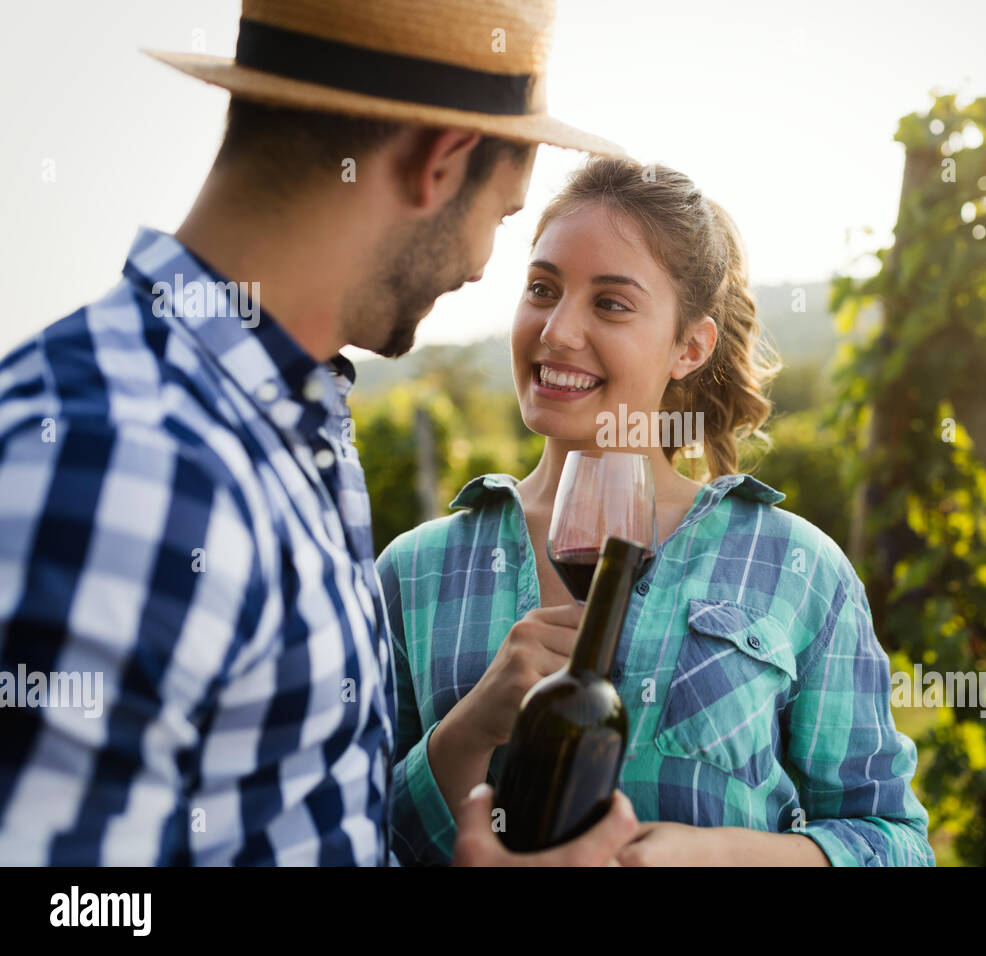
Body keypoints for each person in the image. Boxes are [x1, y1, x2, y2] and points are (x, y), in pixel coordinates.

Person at [0, 0, 639, 865]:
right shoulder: (124, 457)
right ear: (439, 162)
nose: (481, 264)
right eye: (500, 215)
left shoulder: (277, 420)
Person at [378, 157, 937, 866]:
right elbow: (340, 839)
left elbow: (894, 841)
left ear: (690, 346)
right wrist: (465, 734)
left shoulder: (796, 568)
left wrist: (730, 856)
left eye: (611, 303)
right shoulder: (415, 571)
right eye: (543, 289)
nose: (556, 332)